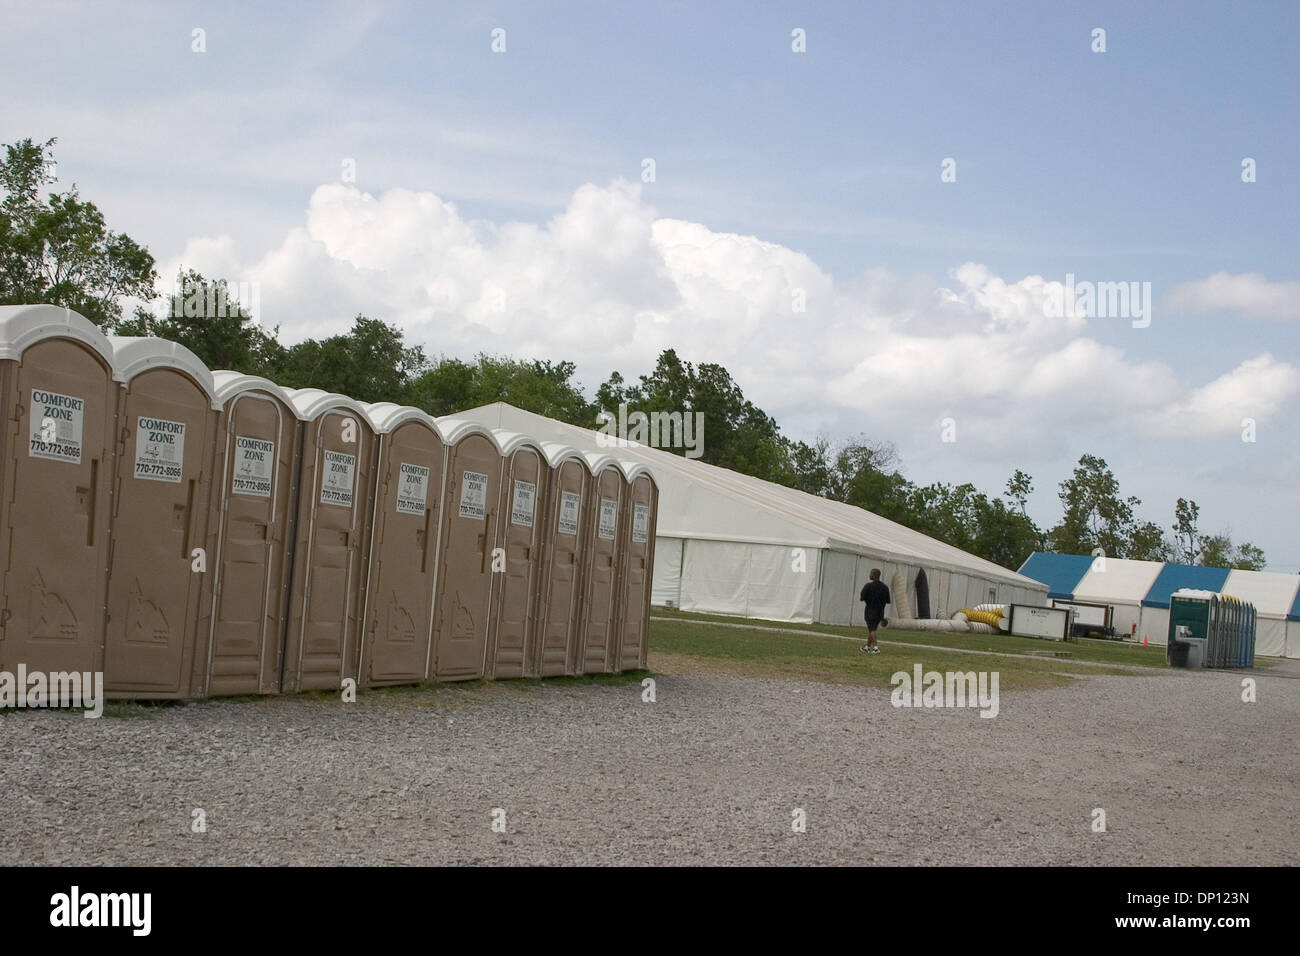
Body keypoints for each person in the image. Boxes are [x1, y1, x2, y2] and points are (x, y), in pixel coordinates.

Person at [859, 568, 890, 654]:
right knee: (872, 629)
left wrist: (869, 601)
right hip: (880, 612)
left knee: (872, 629)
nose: (869, 575)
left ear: (873, 574)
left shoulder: (868, 586)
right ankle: (867, 647)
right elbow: (887, 600)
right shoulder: (885, 587)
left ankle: (876, 648)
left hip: (870, 611)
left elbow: (862, 598)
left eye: (870, 573)